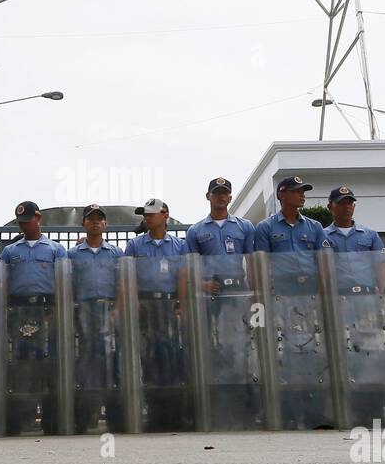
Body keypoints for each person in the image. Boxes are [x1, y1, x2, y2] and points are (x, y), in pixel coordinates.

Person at [254, 176, 328, 429]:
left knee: (313, 350)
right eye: (297, 191)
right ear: (281, 195)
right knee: (284, 351)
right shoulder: (265, 228)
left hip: (310, 295)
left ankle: (315, 411)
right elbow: (262, 264)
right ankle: (289, 412)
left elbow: (323, 263)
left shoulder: (315, 227)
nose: (302, 195)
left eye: (303, 191)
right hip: (281, 295)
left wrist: (323, 294)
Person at [186, 176, 259, 430]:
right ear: (208, 196)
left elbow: (252, 261)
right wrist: (203, 285)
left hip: (237, 291)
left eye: (224, 193)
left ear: (230, 197)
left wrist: (255, 293)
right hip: (209, 294)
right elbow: (191, 267)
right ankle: (214, 408)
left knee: (240, 349)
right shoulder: (196, 231)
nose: (220, 196)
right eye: (215, 192)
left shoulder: (244, 226)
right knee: (211, 349)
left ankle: (245, 409)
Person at [320, 184, 385, 425]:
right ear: (331, 206)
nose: (347, 206)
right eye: (341, 202)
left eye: (350, 202)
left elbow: (381, 266)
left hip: (367, 301)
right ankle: (347, 410)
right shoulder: (323, 236)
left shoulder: (369, 235)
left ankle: (374, 410)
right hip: (339, 300)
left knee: (372, 355)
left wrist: (380, 296)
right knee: (344, 355)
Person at [0, 201, 67, 435]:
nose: (25, 225)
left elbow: (63, 284)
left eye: (28, 220)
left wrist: (55, 311)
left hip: (46, 308)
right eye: (22, 222)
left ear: (38, 218)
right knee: (20, 364)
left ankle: (50, 417)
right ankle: (22, 417)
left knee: (47, 362)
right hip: (19, 310)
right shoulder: (10, 251)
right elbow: (4, 284)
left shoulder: (55, 250)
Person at [123, 198, 188, 431]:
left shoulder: (179, 245)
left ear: (165, 215)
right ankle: (154, 414)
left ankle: (175, 414)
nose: (147, 218)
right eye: (145, 215)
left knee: (172, 358)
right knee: (149, 358)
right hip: (146, 307)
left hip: (169, 305)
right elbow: (128, 277)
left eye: (151, 214)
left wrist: (182, 305)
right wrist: (135, 302)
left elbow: (183, 276)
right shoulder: (135, 245)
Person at [68, 203, 123, 434]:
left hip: (109, 311)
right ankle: (84, 417)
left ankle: (115, 417)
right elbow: (67, 285)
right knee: (86, 362)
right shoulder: (71, 254)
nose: (95, 221)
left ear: (106, 224)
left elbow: (122, 283)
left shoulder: (116, 253)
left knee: (111, 362)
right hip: (84, 312)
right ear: (83, 224)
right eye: (91, 218)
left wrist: (118, 309)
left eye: (100, 218)